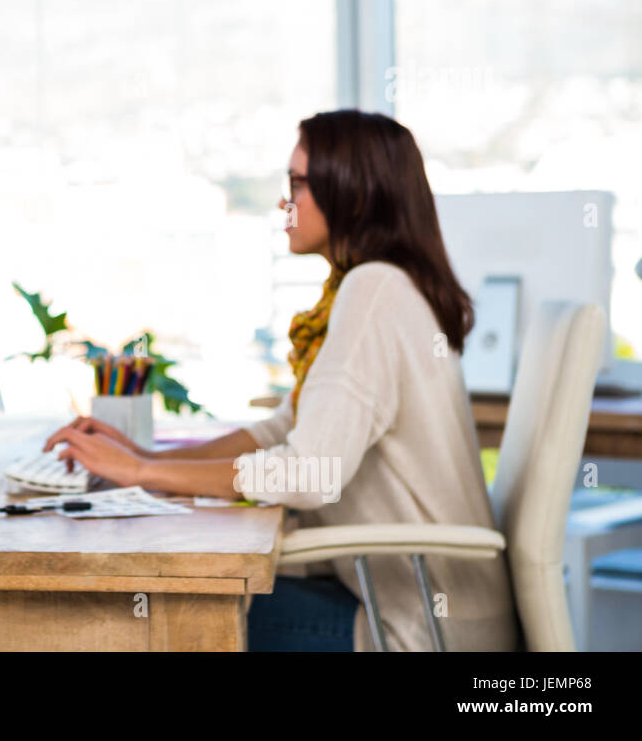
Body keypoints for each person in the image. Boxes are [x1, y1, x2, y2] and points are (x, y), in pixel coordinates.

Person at [45, 110, 522, 651]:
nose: (283, 203)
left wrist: (138, 471)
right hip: (414, 603)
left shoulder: (374, 292)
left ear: (356, 193)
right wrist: (145, 465)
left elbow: (309, 473)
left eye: (298, 184)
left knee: (151, 610)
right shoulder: (375, 287)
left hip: (419, 627)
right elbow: (285, 429)